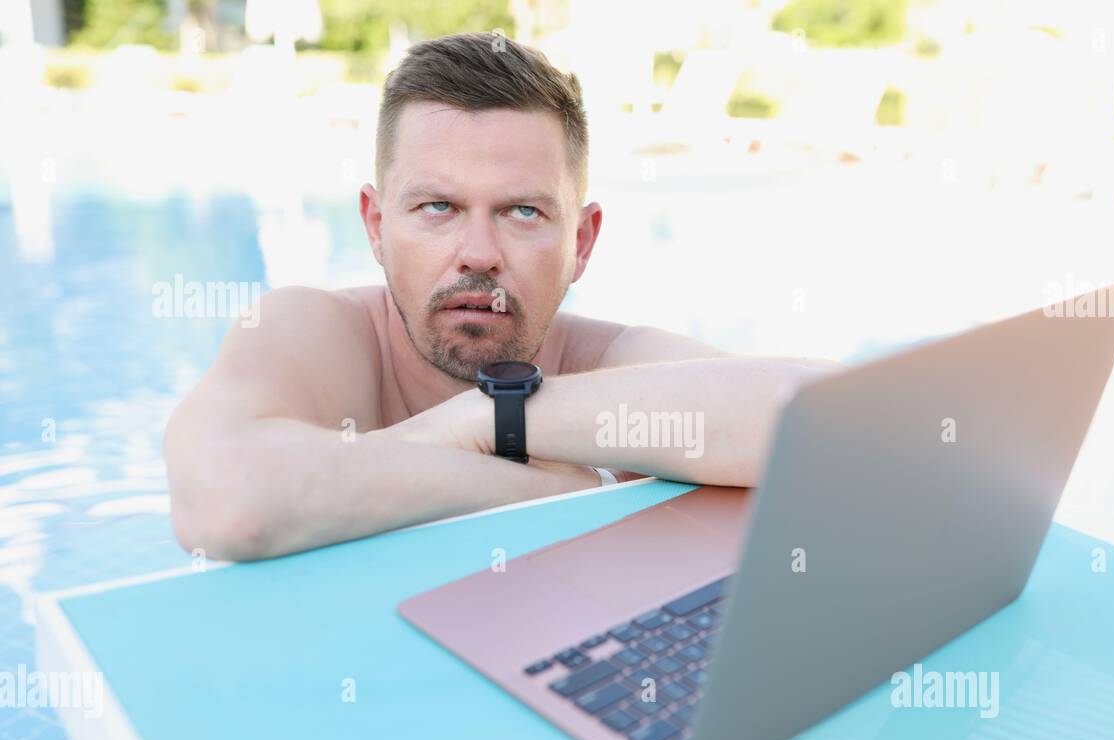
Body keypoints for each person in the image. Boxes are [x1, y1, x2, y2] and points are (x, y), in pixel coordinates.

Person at [164, 32, 838, 561]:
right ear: (376, 226)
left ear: (582, 239)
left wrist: (491, 421)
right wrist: (551, 490)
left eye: (521, 212)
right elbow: (225, 500)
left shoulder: (609, 358)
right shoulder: (318, 329)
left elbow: (838, 433)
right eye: (437, 207)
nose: (479, 253)